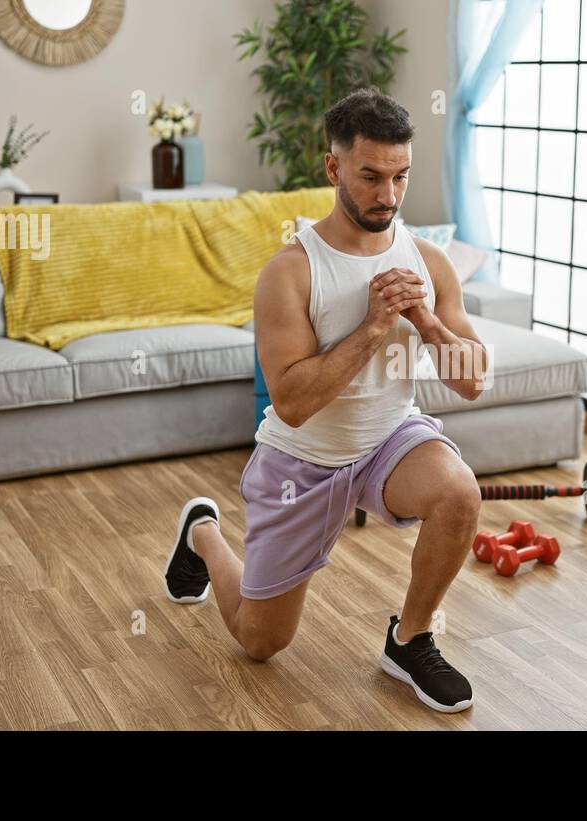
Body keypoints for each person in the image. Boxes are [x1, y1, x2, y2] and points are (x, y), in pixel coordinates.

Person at [162, 89, 488, 713]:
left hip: (391, 440)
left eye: (400, 177)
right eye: (370, 176)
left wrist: (426, 321)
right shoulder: (291, 272)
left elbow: (473, 380)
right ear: (334, 168)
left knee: (459, 492)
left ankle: (410, 639)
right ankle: (203, 531)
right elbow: (290, 403)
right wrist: (371, 327)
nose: (388, 196)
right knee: (261, 643)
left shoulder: (429, 261)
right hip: (302, 462)